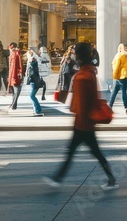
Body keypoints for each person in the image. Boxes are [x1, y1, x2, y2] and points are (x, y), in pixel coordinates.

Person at [43, 42, 118, 190]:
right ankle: (111, 179)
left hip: (83, 123)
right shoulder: (89, 73)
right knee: (91, 152)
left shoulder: (82, 76)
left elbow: (84, 102)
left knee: (77, 152)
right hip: (86, 122)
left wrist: (80, 121)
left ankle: (58, 178)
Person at [109, 44, 127, 114]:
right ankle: (126, 108)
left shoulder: (118, 55)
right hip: (124, 76)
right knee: (124, 93)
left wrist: (114, 76)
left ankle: (109, 107)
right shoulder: (126, 56)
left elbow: (115, 66)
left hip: (118, 77)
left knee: (114, 93)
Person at [26, 49, 44, 116]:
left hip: (34, 81)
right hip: (34, 81)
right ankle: (36, 109)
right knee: (32, 95)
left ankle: (38, 110)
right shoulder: (33, 61)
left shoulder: (32, 61)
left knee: (32, 96)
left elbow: (32, 73)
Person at [8, 42, 23, 110]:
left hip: (14, 75)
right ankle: (14, 104)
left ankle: (14, 104)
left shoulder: (16, 53)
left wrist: (20, 72)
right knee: (14, 91)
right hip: (12, 75)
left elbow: (19, 64)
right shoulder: (12, 54)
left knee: (16, 90)